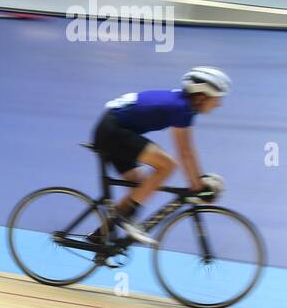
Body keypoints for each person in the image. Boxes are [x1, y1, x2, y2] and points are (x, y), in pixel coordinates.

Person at [91, 67, 230, 244]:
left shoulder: (185, 105)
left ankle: (100, 236)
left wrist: (197, 181)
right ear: (202, 96)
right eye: (217, 99)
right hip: (113, 131)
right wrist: (197, 185)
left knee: (141, 187)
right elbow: (185, 152)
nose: (219, 104)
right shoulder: (181, 108)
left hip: (113, 128)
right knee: (167, 165)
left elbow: (188, 150)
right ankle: (125, 220)